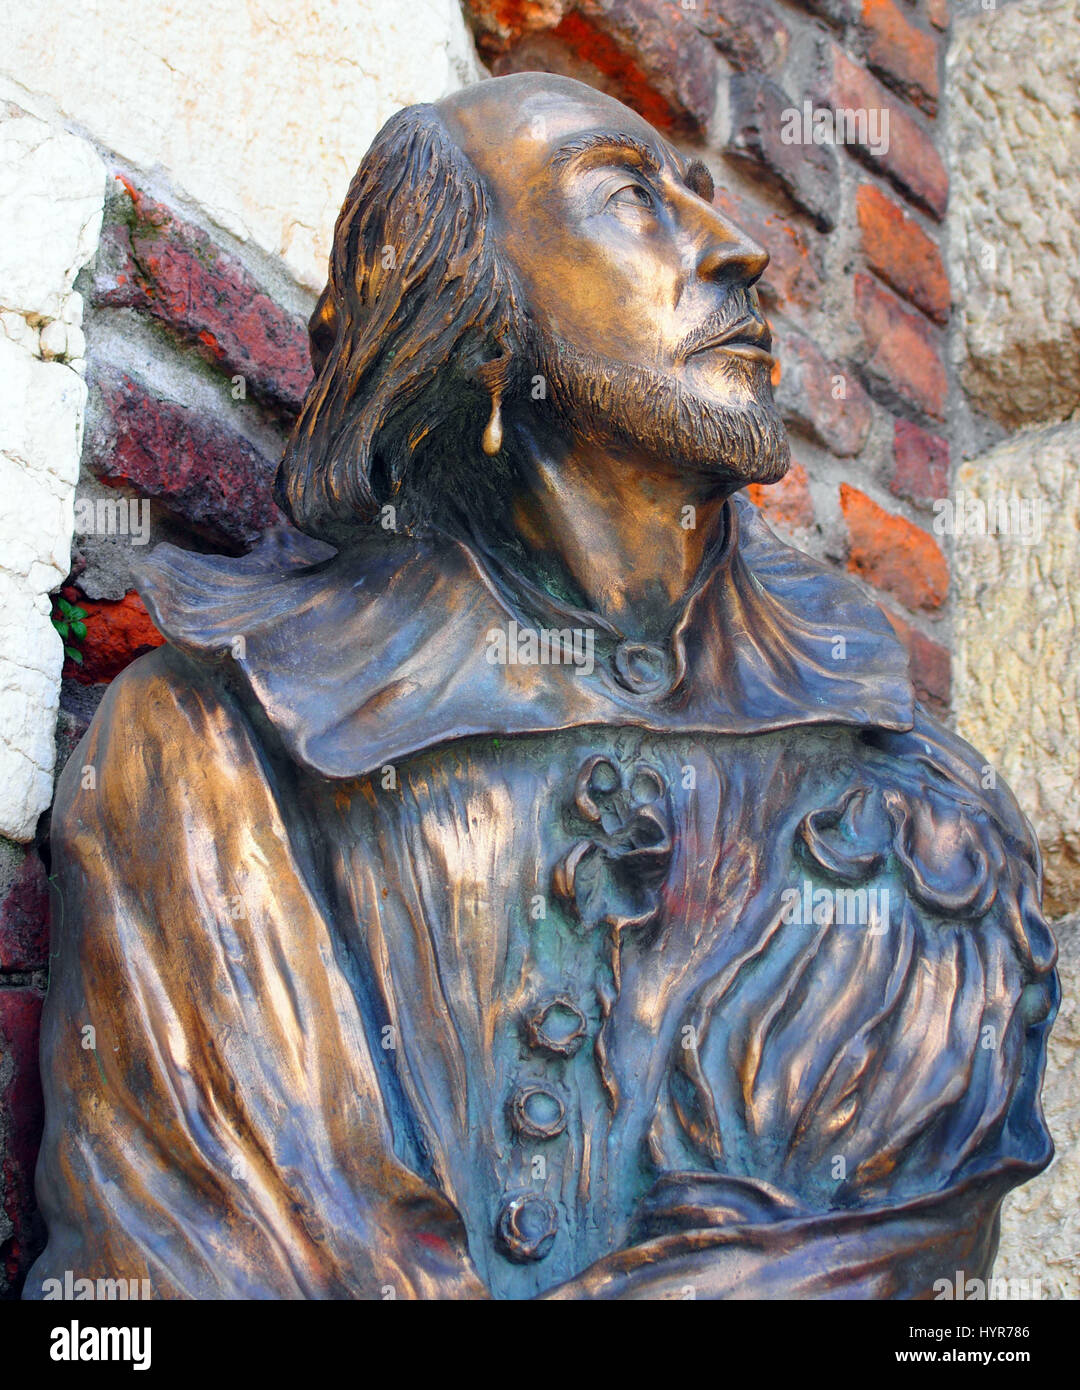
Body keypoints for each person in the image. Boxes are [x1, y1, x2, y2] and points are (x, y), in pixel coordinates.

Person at [28, 74, 1057, 1301]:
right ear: (480, 318)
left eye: (705, 198)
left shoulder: (922, 811)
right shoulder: (218, 751)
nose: (737, 252)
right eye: (630, 196)